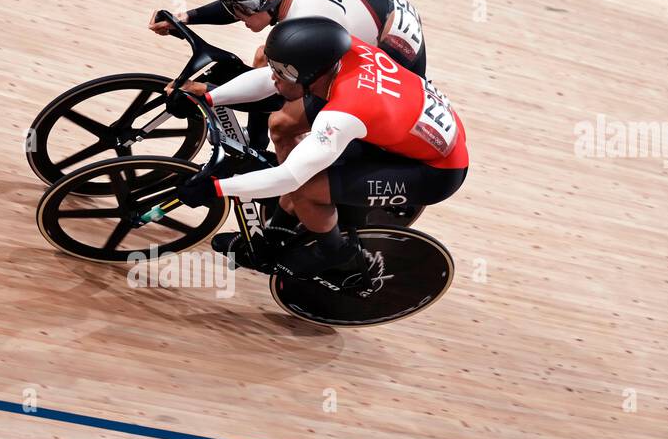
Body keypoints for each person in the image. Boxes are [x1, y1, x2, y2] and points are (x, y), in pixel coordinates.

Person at [173, 17, 468, 280]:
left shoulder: (342, 114)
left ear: (308, 75)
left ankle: (339, 254)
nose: (273, 76)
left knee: (307, 189)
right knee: (298, 144)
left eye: (282, 73)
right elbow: (271, 78)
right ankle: (279, 236)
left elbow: (288, 178)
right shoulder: (340, 50)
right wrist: (212, 98)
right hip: (405, 130)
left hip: (435, 171)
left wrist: (217, 188)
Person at [150, 0, 427, 165]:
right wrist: (186, 17)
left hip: (391, 70)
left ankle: (290, 206)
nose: (238, 17)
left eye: (242, 10)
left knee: (282, 124)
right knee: (266, 56)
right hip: (382, 31)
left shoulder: (307, 17)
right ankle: (255, 148)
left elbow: (278, 92)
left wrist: (207, 92)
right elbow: (244, 4)